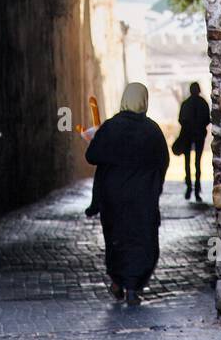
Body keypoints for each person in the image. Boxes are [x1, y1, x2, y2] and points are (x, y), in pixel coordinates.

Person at [84, 82, 169, 307]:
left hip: (113, 197)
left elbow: (92, 156)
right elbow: (162, 162)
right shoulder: (152, 131)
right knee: (142, 239)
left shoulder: (111, 128)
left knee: (116, 238)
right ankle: (133, 286)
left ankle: (117, 280)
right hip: (143, 198)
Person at [176, 81, 211, 201]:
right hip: (199, 136)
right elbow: (207, 120)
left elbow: (180, 119)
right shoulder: (203, 103)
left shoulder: (186, 104)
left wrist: (189, 127)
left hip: (187, 135)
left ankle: (189, 187)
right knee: (197, 163)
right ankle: (197, 189)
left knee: (187, 163)